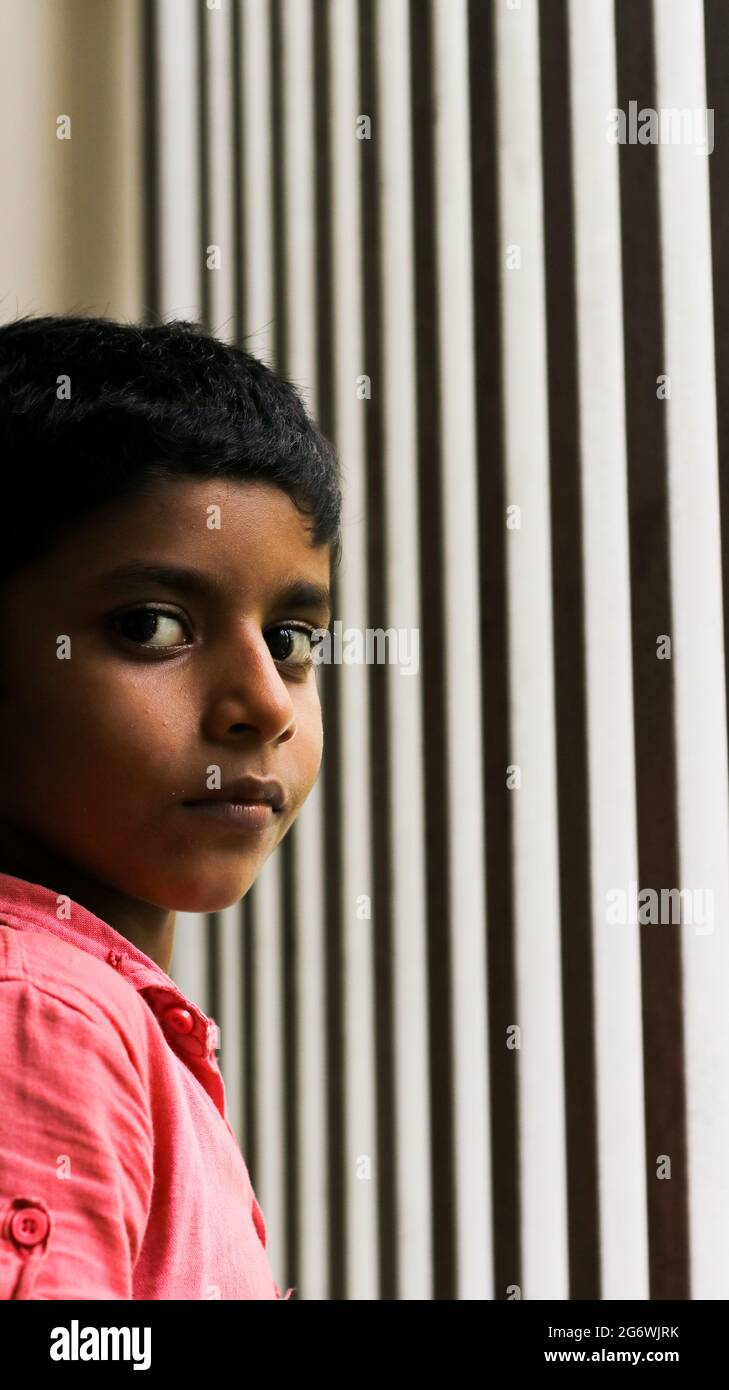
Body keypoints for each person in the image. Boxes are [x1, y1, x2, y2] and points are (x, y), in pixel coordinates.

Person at [0, 314, 341, 1299]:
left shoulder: (105, 1022)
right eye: (153, 626)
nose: (265, 702)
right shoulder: (43, 1018)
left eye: (289, 637)